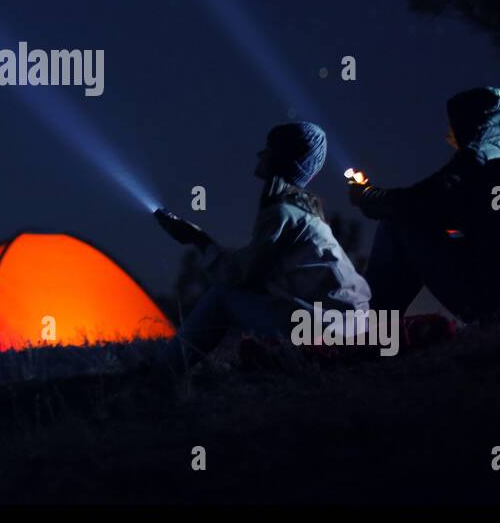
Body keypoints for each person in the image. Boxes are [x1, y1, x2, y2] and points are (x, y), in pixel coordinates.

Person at [154, 121, 370, 371]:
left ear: (280, 158)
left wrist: (197, 239)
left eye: (268, 148)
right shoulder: (302, 213)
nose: (260, 154)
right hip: (348, 322)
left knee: (221, 296)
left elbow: (237, 276)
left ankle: (163, 371)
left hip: (329, 328)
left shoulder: (283, 214)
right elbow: (256, 274)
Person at [348, 86, 500, 322]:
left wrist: (365, 195)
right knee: (424, 222)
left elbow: (413, 202)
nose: (448, 132)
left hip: (497, 301)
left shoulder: (475, 160)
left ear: (472, 122)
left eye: (454, 122)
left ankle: (370, 327)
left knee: (396, 224)